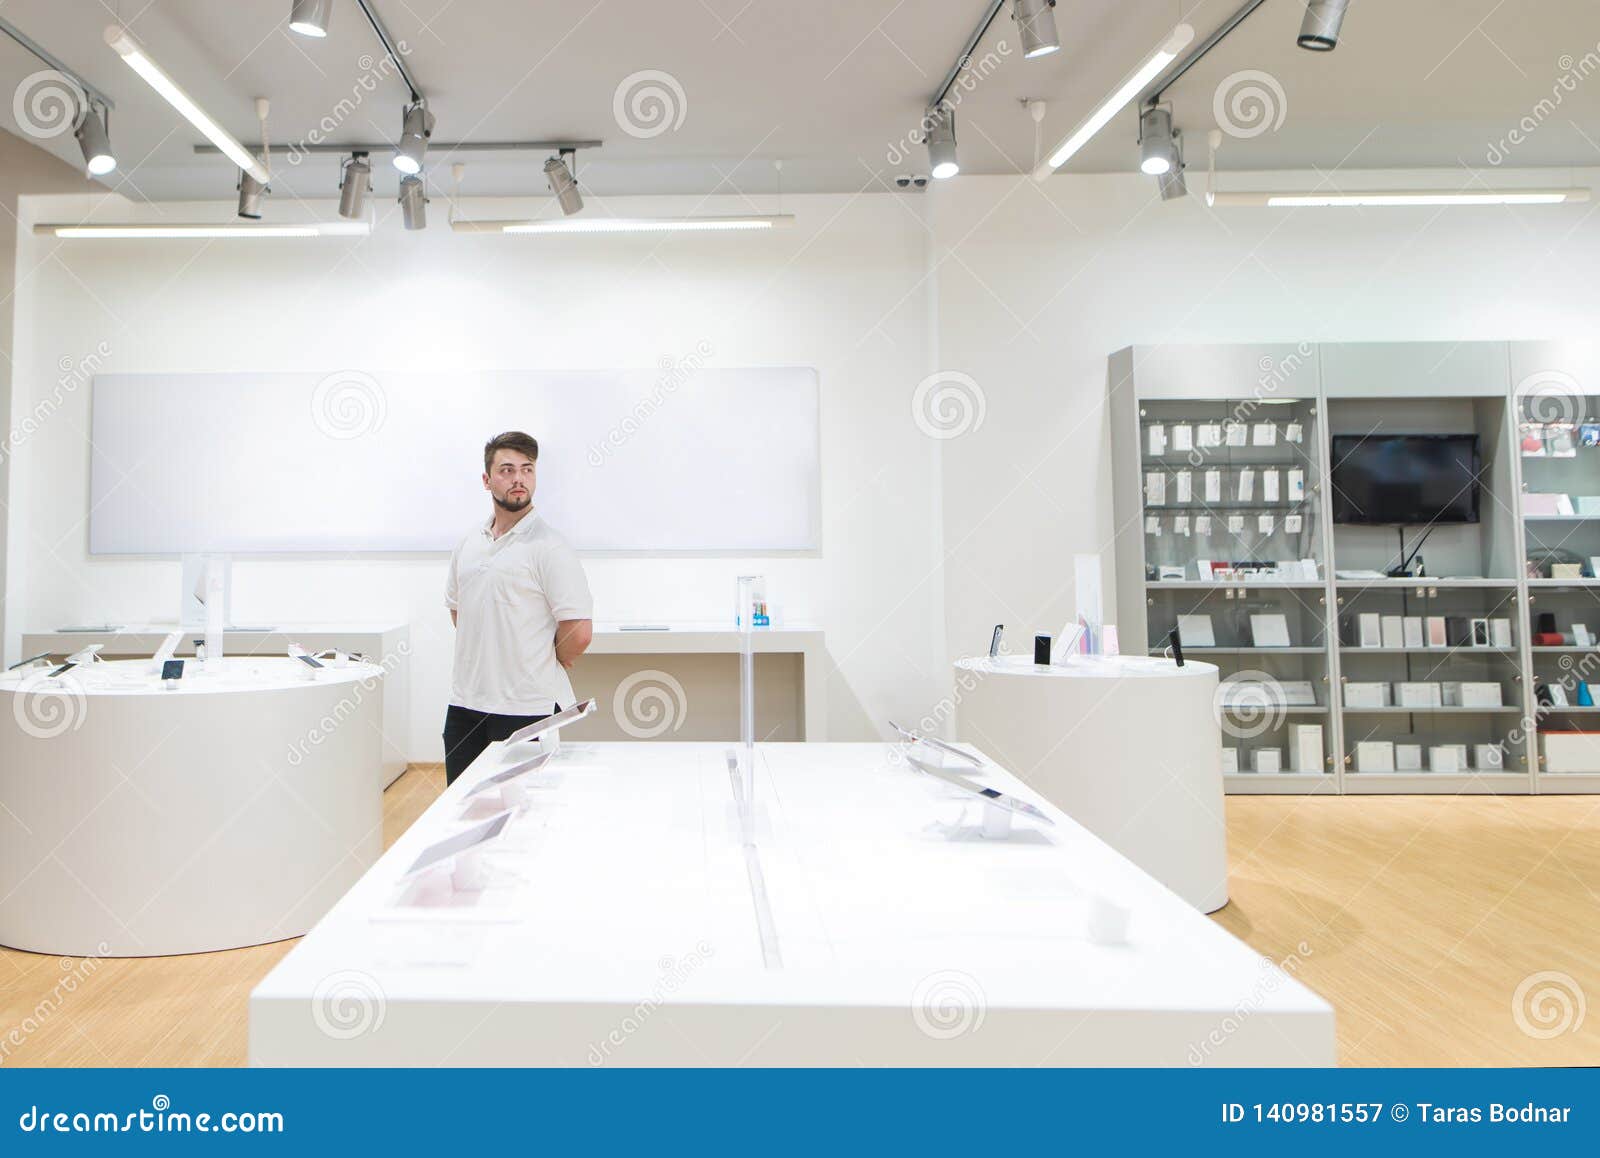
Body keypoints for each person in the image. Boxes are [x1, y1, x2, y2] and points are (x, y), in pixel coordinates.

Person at [442, 431, 593, 784]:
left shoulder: (550, 547)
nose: (518, 479)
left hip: (528, 708)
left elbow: (579, 632)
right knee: (460, 811)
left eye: (527, 470)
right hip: (465, 705)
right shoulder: (468, 543)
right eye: (507, 470)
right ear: (487, 479)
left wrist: (538, 655)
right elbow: (458, 610)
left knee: (525, 820)